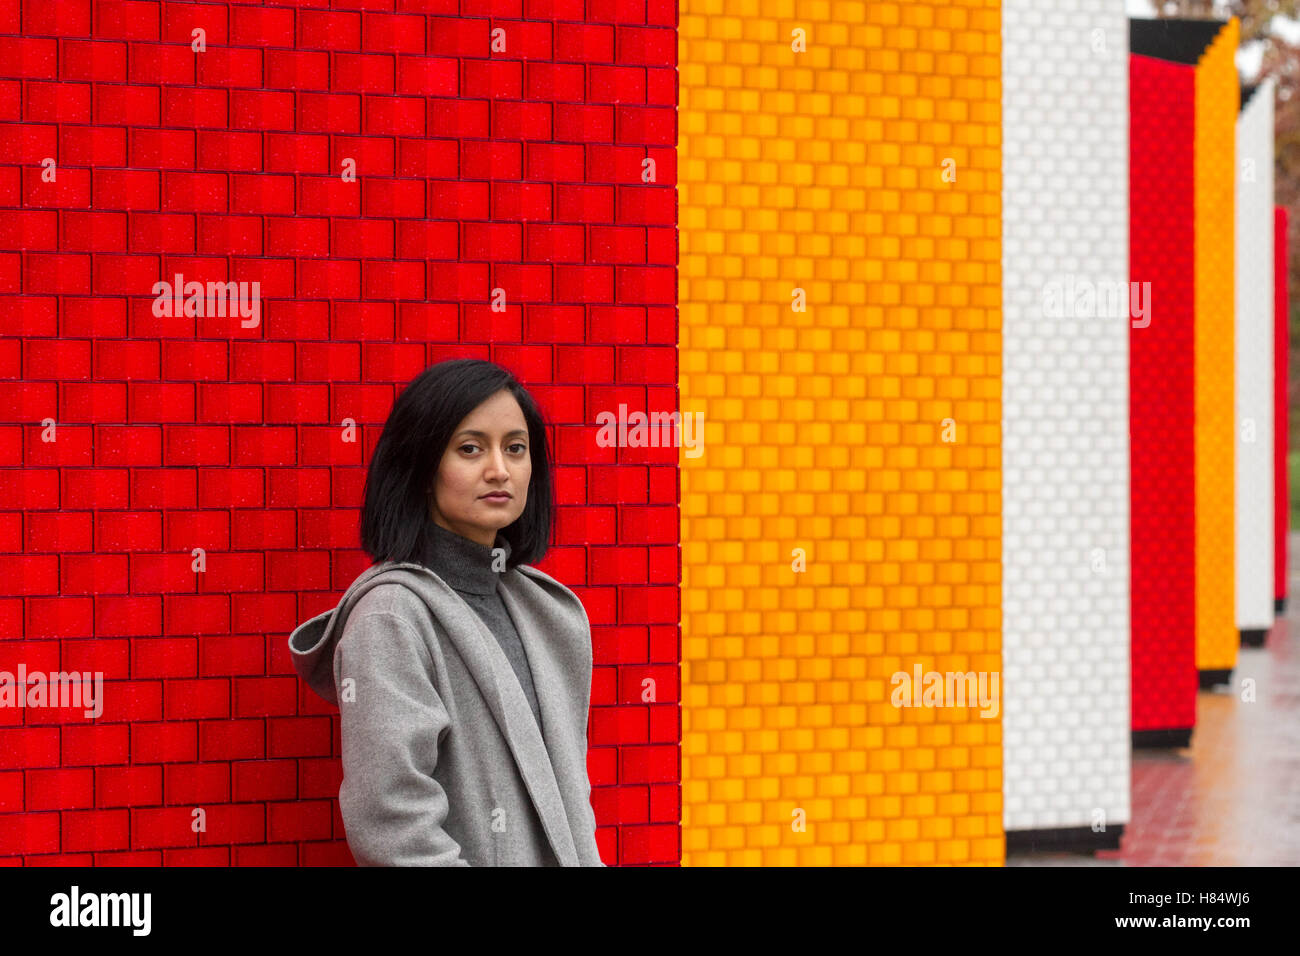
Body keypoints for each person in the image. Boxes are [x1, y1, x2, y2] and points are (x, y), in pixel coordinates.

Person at [288, 359, 604, 866]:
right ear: (421, 466)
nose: (499, 469)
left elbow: (570, 804)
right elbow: (394, 826)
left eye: (516, 448)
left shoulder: (547, 612)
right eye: (470, 448)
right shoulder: (391, 619)